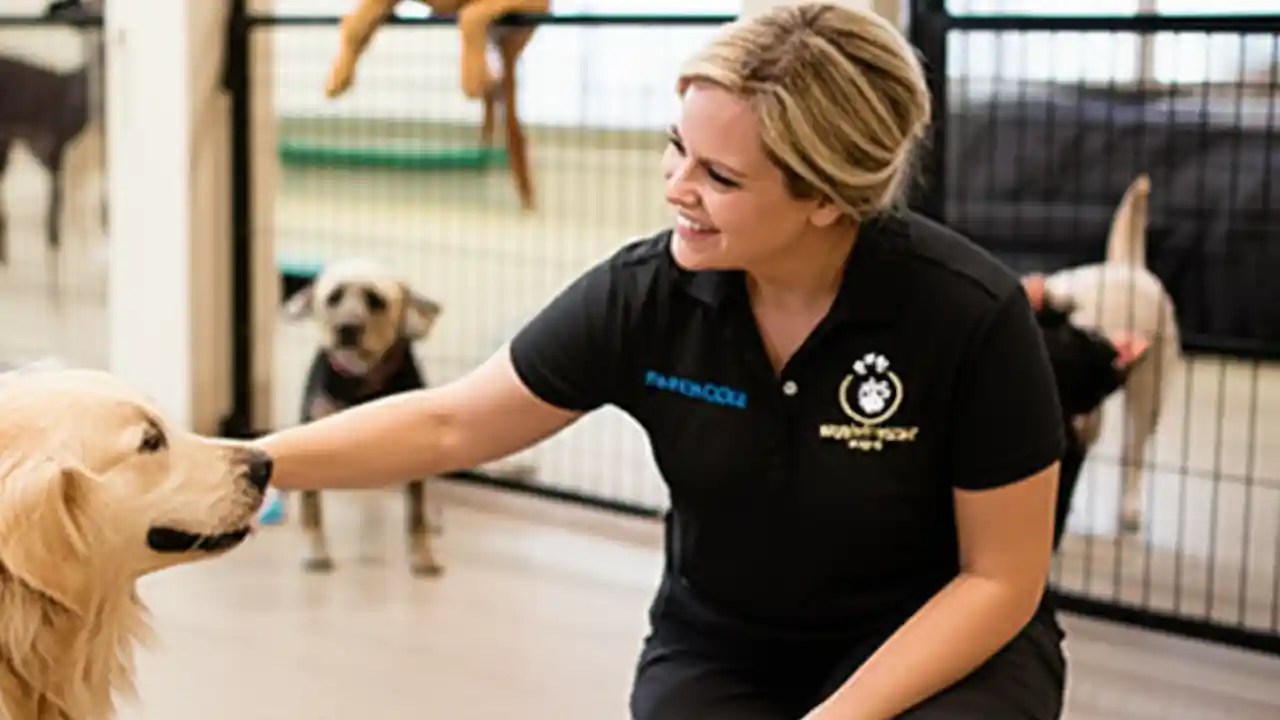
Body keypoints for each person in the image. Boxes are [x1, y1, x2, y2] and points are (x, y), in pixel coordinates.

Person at [254, 4, 1070, 718]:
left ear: (827, 198)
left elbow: (998, 581)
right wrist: (241, 466)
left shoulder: (969, 313)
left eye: (718, 175)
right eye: (674, 149)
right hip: (726, 649)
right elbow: (446, 425)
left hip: (940, 644)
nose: (677, 188)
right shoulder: (649, 295)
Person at [1023, 274, 1150, 550]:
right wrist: (1122, 367)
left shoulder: (1011, 340)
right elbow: (1092, 391)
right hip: (1055, 440)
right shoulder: (1078, 344)